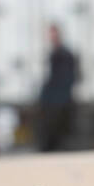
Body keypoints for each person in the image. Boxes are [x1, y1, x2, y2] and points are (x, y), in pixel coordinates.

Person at [35, 24, 78, 152]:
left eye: (52, 33)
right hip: (54, 101)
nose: (51, 37)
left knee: (56, 136)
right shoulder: (57, 53)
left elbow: (65, 78)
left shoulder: (63, 54)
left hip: (58, 101)